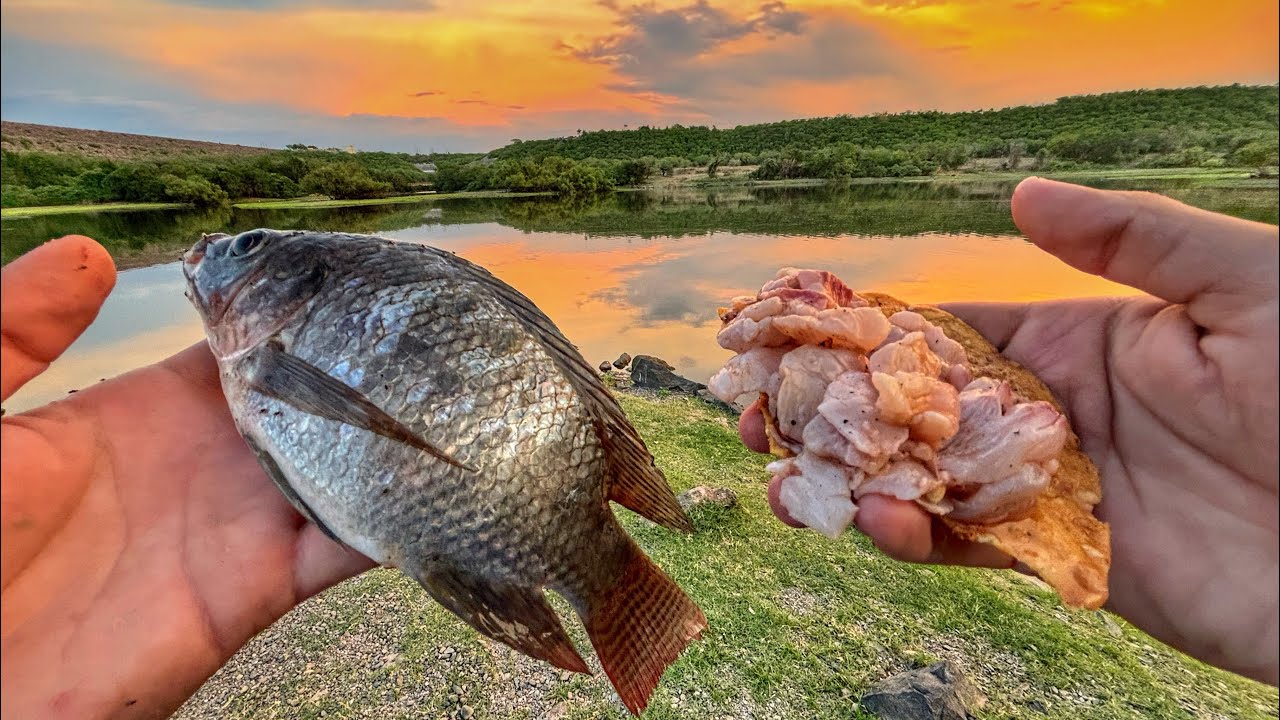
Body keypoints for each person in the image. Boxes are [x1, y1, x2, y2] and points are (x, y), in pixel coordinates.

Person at [0, 177, 1275, 719]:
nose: (219, 264)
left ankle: (610, 586)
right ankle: (609, 585)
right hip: (445, 494)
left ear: (285, 291)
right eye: (228, 251)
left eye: (249, 256)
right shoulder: (277, 339)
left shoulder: (266, 344)